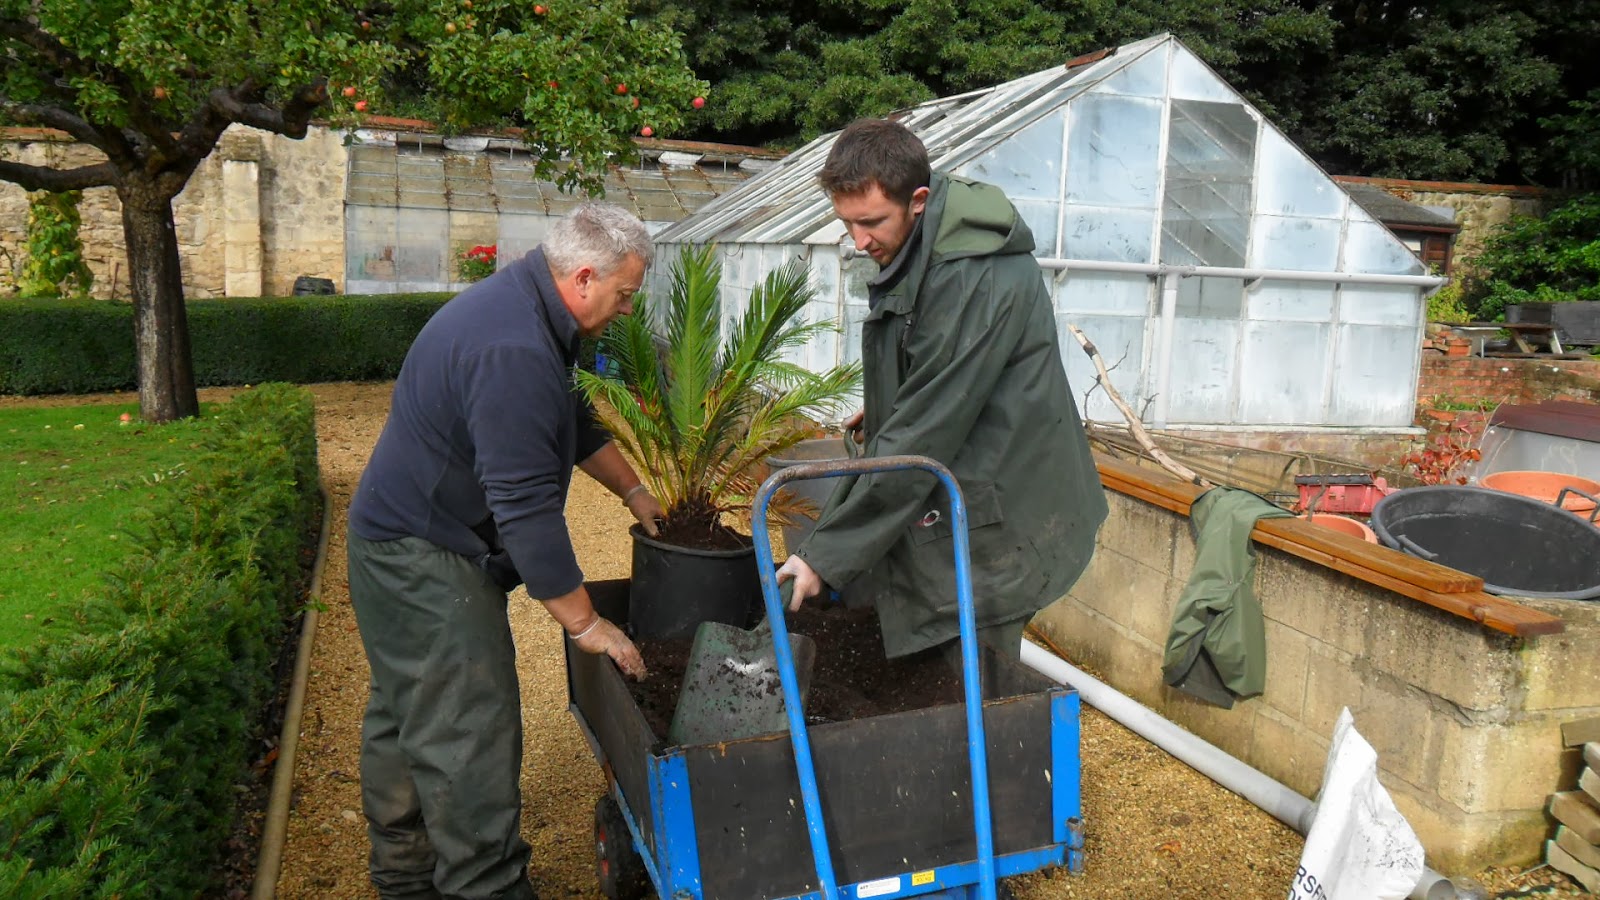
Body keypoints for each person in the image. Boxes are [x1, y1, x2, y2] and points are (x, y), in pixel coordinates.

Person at [346, 202, 662, 900]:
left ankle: (406, 880)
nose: (626, 310)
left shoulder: (529, 309)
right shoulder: (512, 348)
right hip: (422, 557)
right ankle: (485, 885)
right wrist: (585, 622)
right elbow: (523, 507)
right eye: (625, 294)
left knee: (410, 711)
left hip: (393, 540)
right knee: (468, 733)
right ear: (584, 277)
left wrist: (634, 492)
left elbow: (572, 420)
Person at [776, 118, 1108, 665]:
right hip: (972, 480)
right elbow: (930, 365)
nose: (858, 241)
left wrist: (822, 557)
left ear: (919, 200)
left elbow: (924, 431)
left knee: (971, 666)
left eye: (871, 222)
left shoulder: (972, 274)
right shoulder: (922, 243)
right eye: (847, 223)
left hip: (1011, 508)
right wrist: (888, 402)